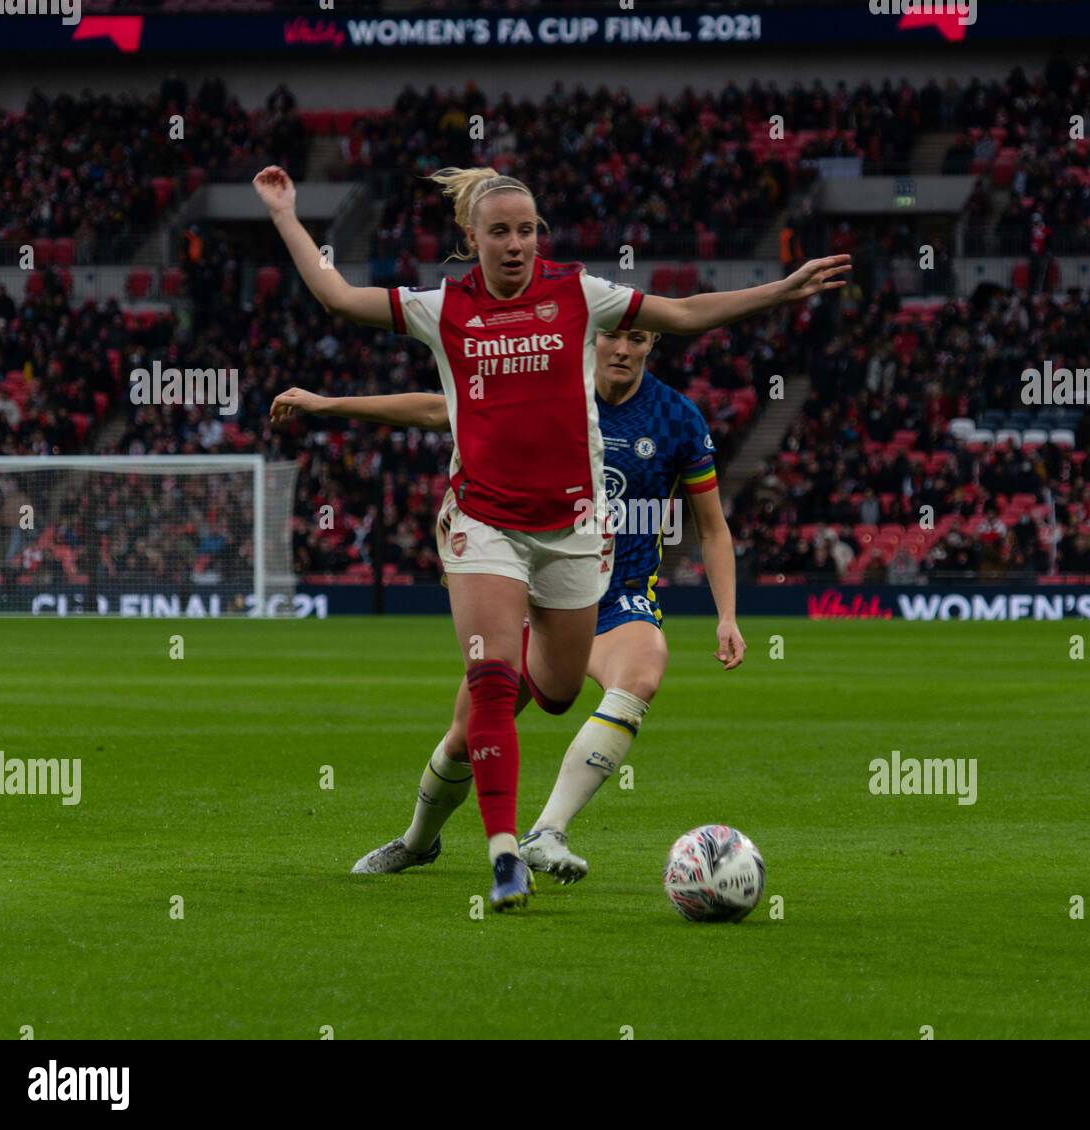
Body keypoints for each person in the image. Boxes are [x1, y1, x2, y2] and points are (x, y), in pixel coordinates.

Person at [254, 162, 848, 910]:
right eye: (499, 232)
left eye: (527, 230)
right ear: (470, 239)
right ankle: (503, 853)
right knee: (492, 683)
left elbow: (688, 311)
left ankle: (434, 835)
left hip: (570, 535)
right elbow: (337, 296)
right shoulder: (444, 309)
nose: (515, 244)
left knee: (552, 695)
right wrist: (284, 212)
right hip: (481, 522)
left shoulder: (580, 297)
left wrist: (780, 290)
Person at [272, 323, 746, 884]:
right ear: (590, 338)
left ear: (652, 344)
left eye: (638, 338)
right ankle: (418, 841)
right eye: (611, 337)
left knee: (642, 672)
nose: (623, 349)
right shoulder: (549, 393)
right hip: (532, 594)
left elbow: (712, 530)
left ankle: (547, 831)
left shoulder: (676, 420)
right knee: (463, 739)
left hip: (617, 598)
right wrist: (328, 404)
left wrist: (726, 617)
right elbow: (437, 408)